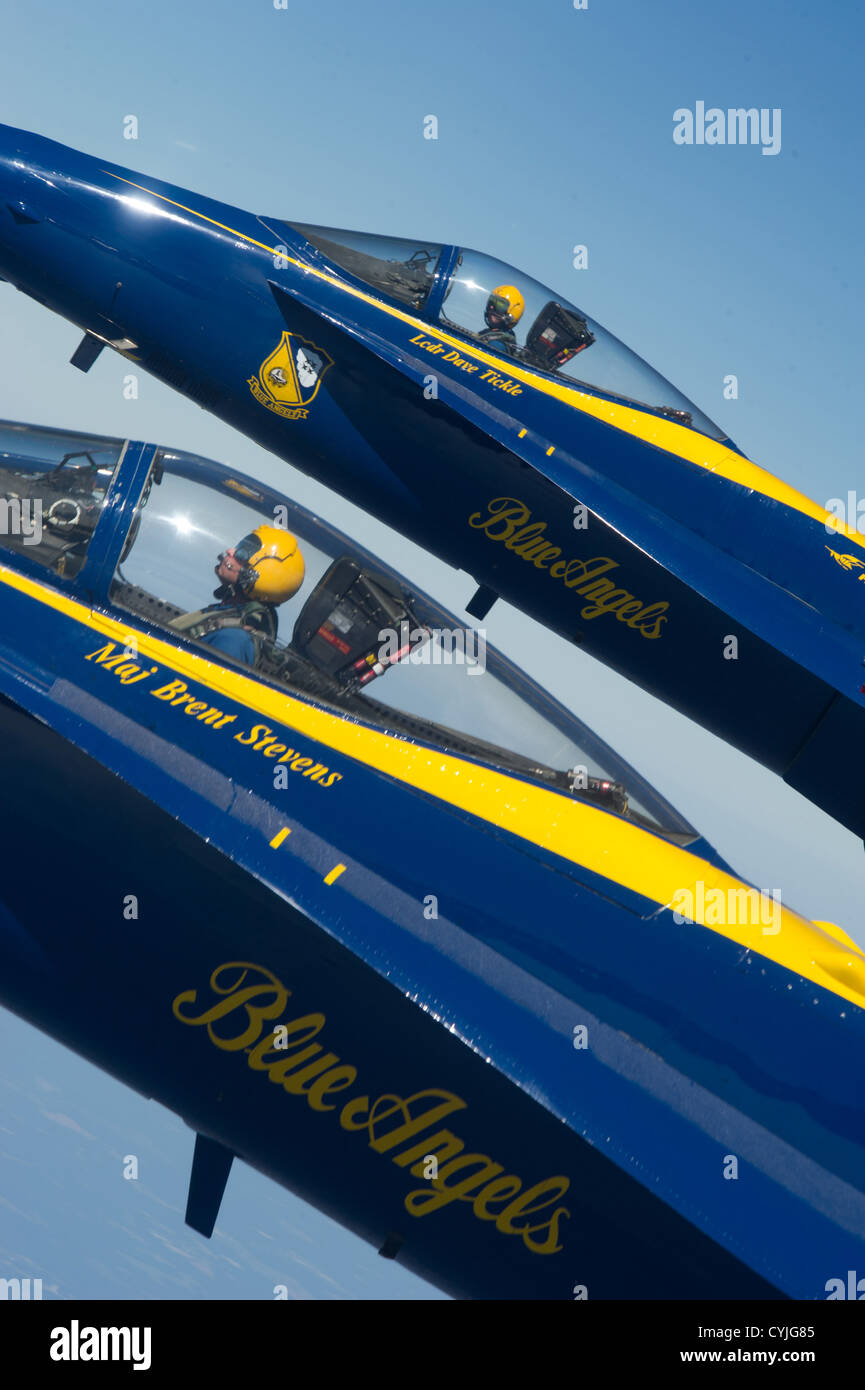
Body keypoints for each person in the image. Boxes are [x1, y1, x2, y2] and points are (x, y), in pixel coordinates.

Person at [169, 525, 305, 666]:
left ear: (261, 572)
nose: (230, 551)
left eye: (243, 552)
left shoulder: (234, 641)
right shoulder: (225, 616)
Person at [476, 284, 525, 356]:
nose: (492, 307)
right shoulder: (488, 334)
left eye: (500, 305)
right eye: (491, 301)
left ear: (512, 313)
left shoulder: (497, 345)